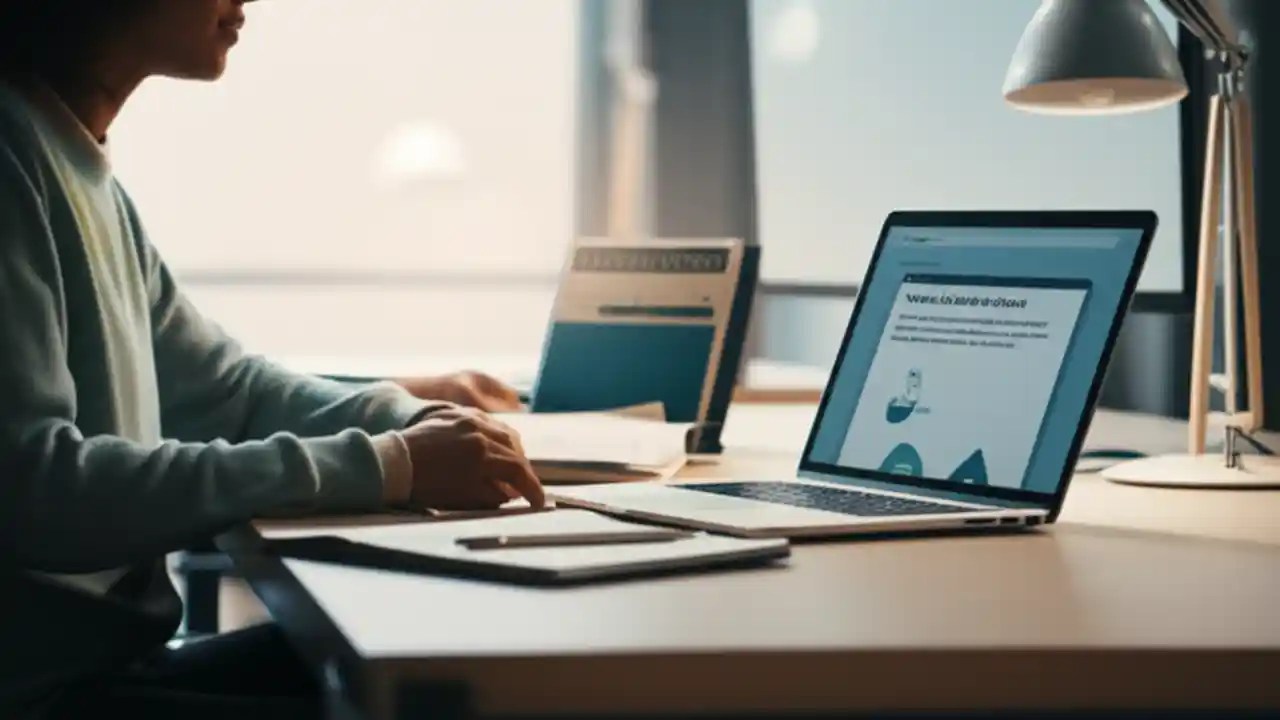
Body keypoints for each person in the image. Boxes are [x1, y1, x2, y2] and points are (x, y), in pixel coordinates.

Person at [0, 0, 546, 717]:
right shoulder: (11, 158)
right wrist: (388, 465)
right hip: (48, 694)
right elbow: (36, 490)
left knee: (459, 655)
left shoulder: (74, 161)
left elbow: (231, 393)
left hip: (111, 666)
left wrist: (410, 421)